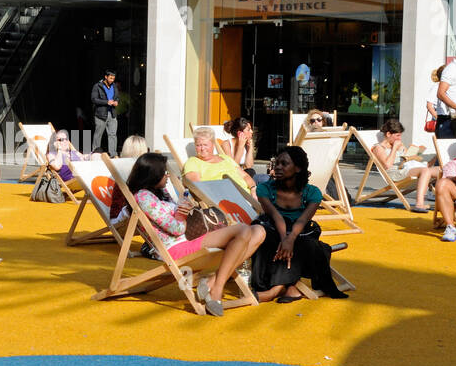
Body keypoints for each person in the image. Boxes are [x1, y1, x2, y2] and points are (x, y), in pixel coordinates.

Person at [126, 152, 264, 317]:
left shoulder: (160, 193)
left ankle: (212, 281)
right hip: (176, 248)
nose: (168, 175)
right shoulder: (143, 197)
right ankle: (217, 289)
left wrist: (185, 210)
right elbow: (176, 228)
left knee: (259, 231)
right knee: (242, 230)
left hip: (189, 239)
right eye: (164, 173)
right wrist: (181, 215)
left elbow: (178, 221)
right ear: (153, 175)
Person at [251, 145, 348, 302]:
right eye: (277, 163)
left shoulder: (312, 193)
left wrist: (290, 239)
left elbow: (303, 220)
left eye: (284, 164)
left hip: (301, 231)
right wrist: (285, 239)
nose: (278, 167)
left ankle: (276, 289)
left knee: (306, 244)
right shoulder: (264, 189)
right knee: (272, 241)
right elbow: (276, 216)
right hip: (274, 229)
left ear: (297, 168)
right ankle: (290, 287)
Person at [371, 118, 439, 213]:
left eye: (400, 136)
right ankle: (419, 204)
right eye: (397, 136)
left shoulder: (400, 145)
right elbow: (387, 165)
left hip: (408, 168)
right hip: (395, 173)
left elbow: (409, 160)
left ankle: (445, 201)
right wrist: (394, 148)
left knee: (442, 169)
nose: (400, 139)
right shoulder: (378, 148)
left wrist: (415, 155)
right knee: (425, 171)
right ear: (388, 134)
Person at [183, 126, 252, 194]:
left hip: (249, 195)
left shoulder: (225, 158)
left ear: (213, 145)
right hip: (227, 200)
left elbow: (245, 176)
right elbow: (197, 187)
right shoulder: (193, 162)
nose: (202, 148)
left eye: (205, 145)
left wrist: (253, 189)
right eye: (198, 145)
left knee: (261, 181)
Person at [46, 129, 86, 193]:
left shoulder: (72, 152)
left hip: (84, 173)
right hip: (73, 179)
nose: (64, 141)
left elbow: (84, 158)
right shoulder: (52, 154)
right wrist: (59, 150)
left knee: (97, 154)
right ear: (54, 142)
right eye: (61, 140)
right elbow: (57, 166)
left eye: (66, 139)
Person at [91, 68, 118, 155]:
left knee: (113, 134)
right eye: (110, 78)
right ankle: (96, 153)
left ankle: (113, 154)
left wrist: (116, 101)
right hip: (101, 114)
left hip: (112, 113)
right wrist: (106, 102)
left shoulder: (114, 86)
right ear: (106, 77)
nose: (112, 80)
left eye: (113, 78)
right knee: (98, 134)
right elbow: (94, 99)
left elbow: (117, 96)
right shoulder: (98, 86)